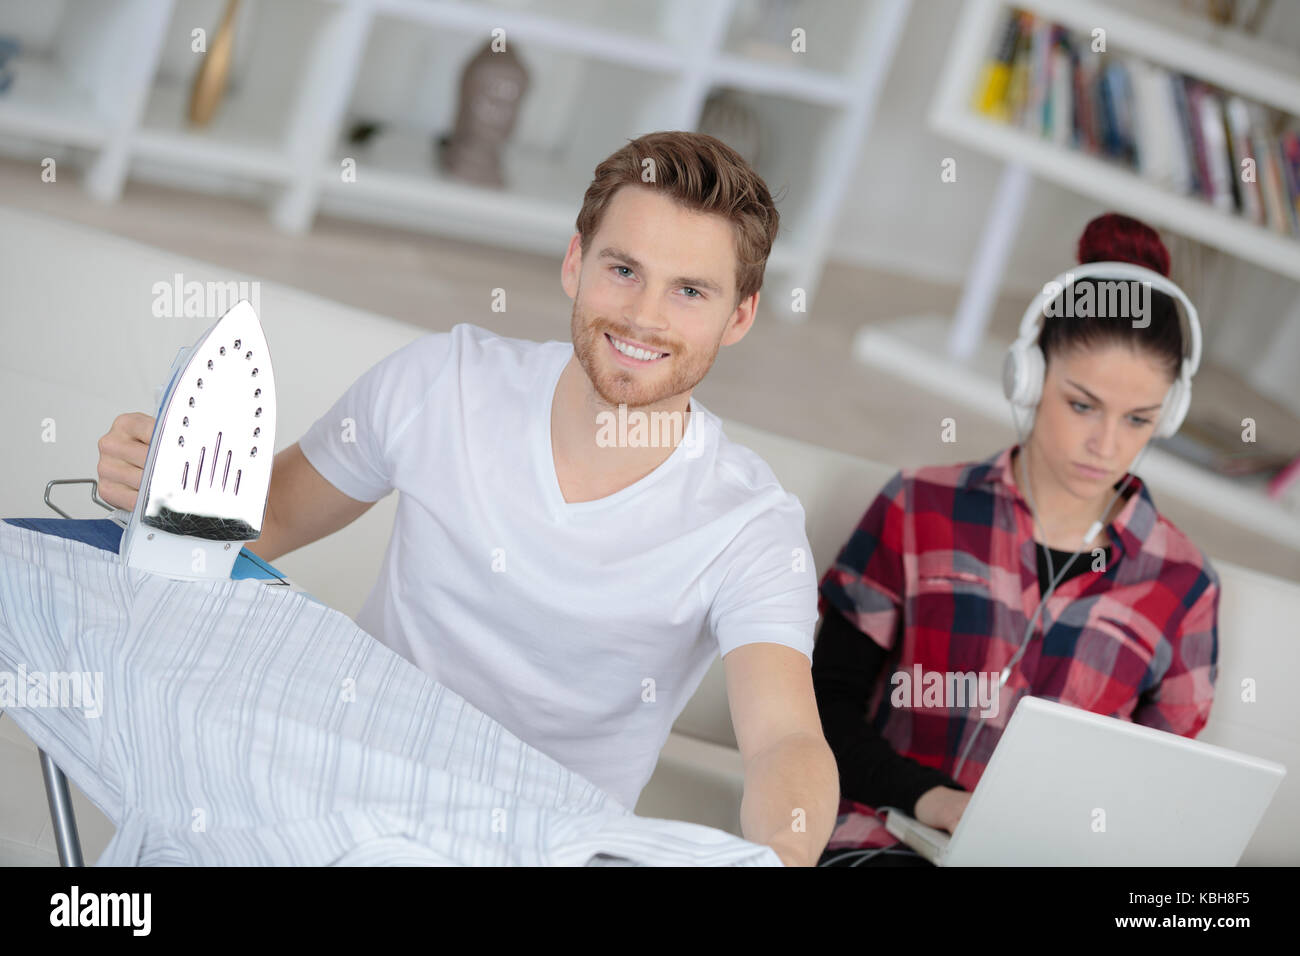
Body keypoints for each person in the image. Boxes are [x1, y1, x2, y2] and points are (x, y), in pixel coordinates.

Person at [95, 131, 838, 867]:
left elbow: (785, 739)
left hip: (536, 849)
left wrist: (786, 852)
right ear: (575, 262)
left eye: (690, 291)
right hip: (327, 788)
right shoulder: (442, 381)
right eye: (623, 269)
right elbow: (272, 516)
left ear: (739, 316)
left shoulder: (749, 527)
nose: (645, 316)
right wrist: (163, 486)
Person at [814, 213, 1219, 866]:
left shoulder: (1185, 585)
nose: (1106, 444)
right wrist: (931, 800)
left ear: (1168, 415)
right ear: (1027, 377)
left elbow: (1153, 798)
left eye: (1138, 419)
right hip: (886, 839)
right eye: (1082, 405)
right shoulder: (918, 506)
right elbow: (818, 708)